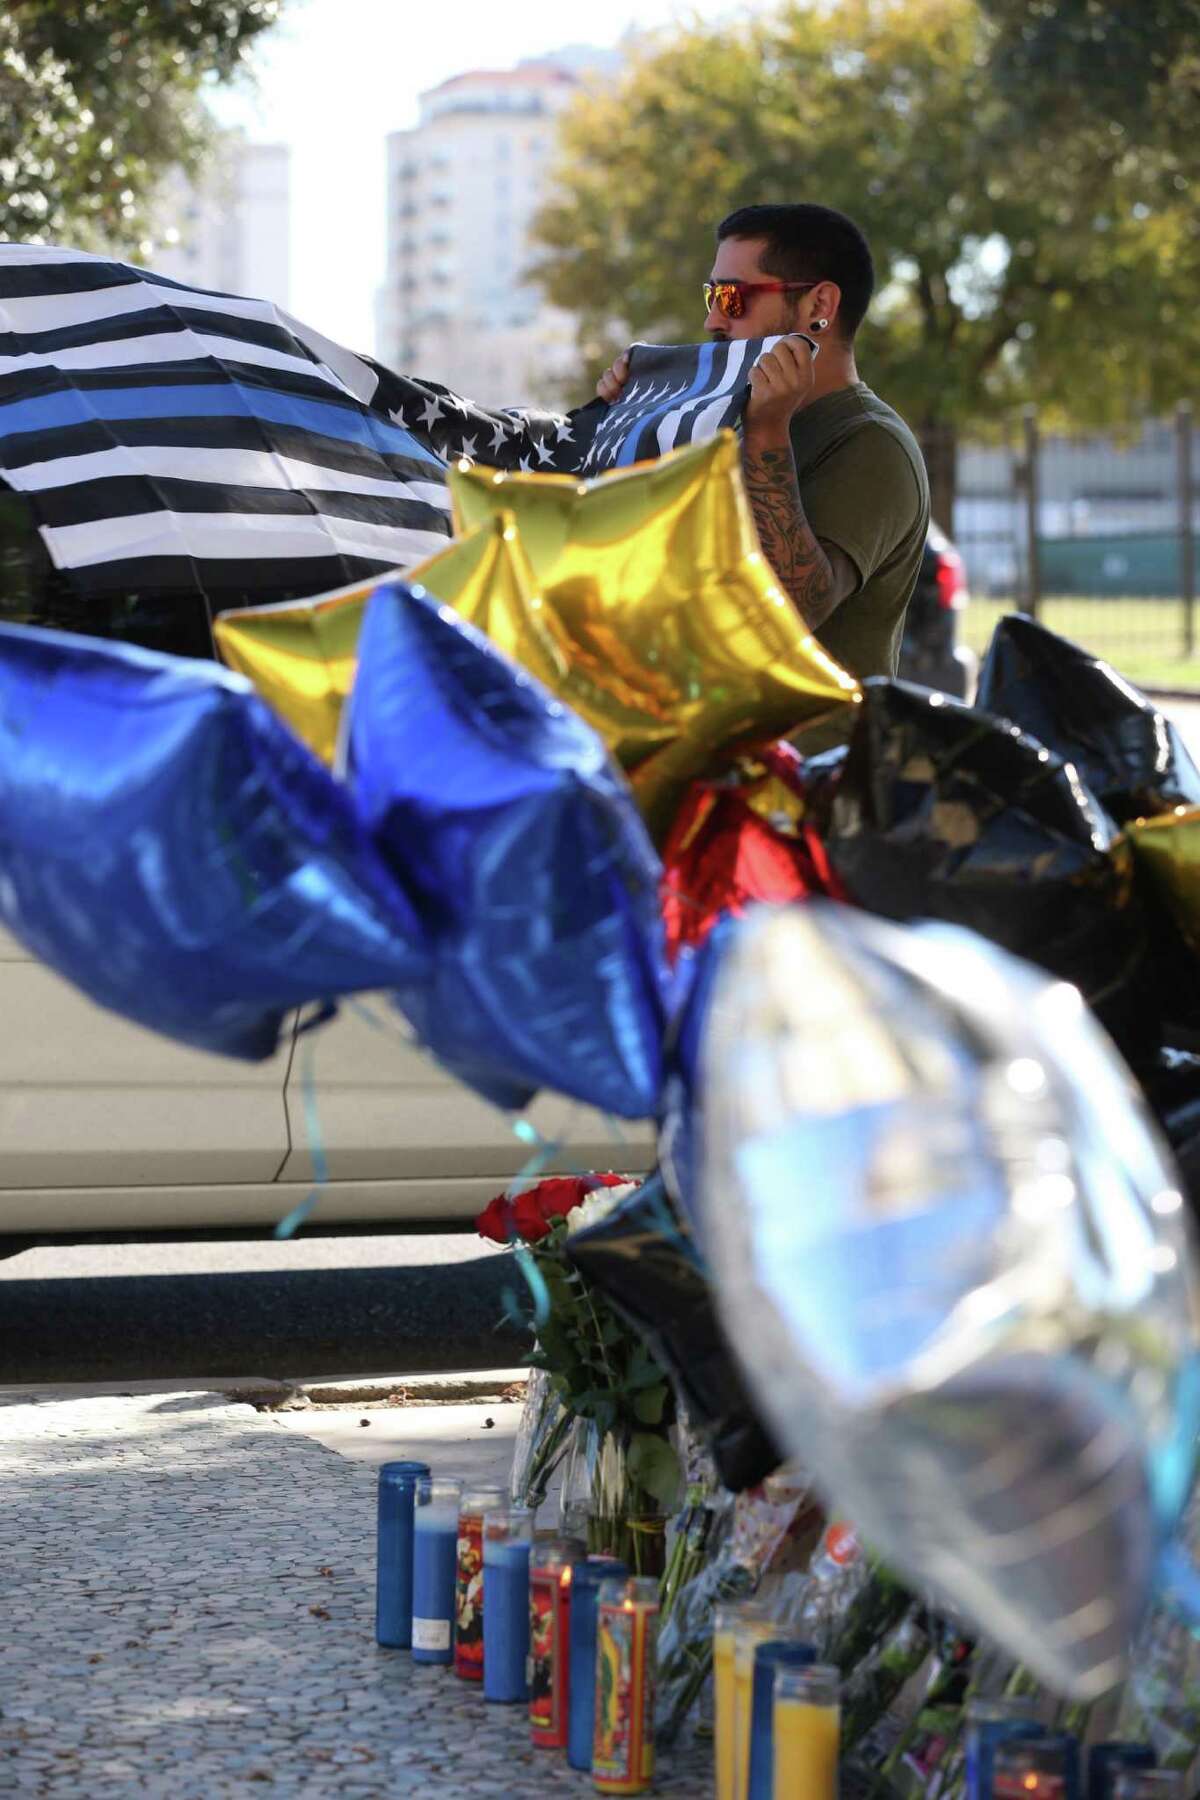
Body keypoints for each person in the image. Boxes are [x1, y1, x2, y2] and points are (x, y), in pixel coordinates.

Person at [596, 203, 930, 746]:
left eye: (733, 297)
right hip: (712, 775)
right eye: (711, 297)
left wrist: (769, 432)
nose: (713, 320)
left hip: (811, 796)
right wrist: (626, 421)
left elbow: (792, 608)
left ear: (818, 305)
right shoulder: (722, 421)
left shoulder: (872, 443)